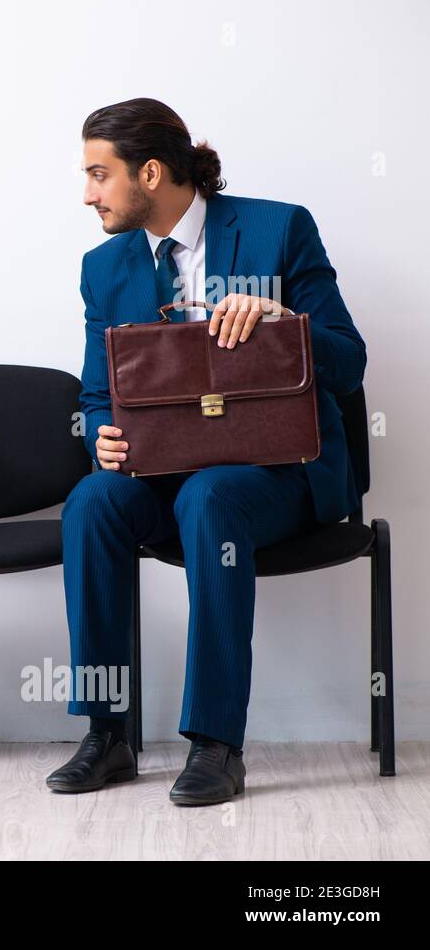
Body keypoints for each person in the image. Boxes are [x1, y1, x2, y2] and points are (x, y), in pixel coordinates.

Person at [46, 99, 366, 805]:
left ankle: (217, 744)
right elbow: (101, 392)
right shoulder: (104, 269)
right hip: (162, 476)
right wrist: (99, 433)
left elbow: (350, 362)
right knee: (92, 501)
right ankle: (109, 733)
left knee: (211, 493)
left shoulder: (279, 229)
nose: (87, 193)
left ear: (150, 173)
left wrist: (286, 324)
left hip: (274, 479)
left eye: (100, 174)